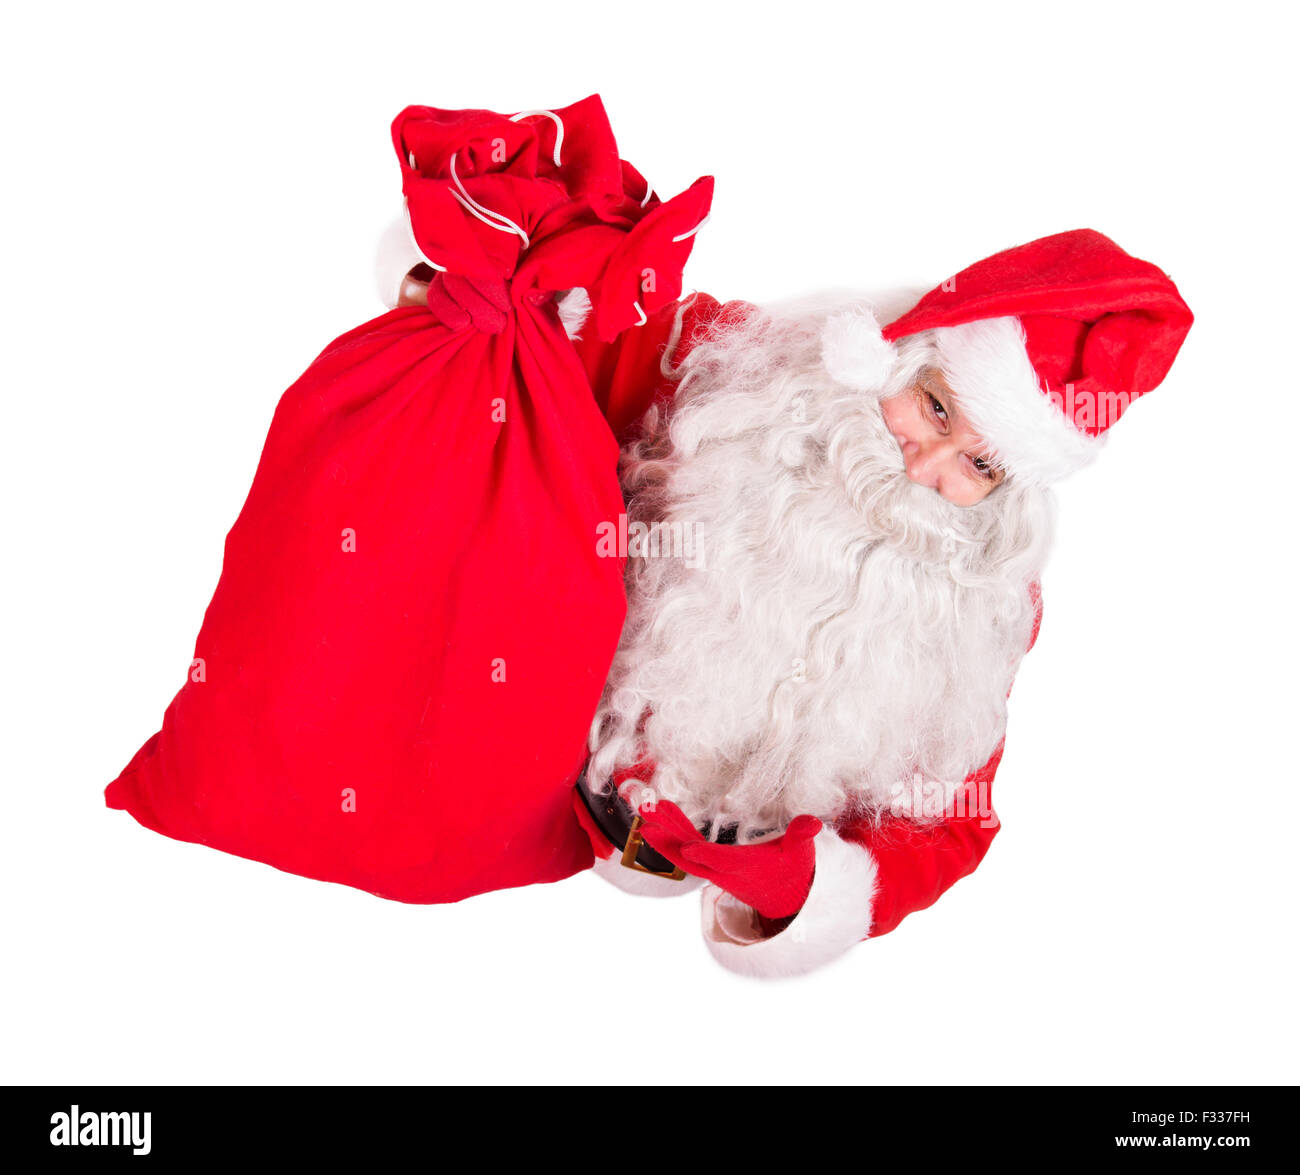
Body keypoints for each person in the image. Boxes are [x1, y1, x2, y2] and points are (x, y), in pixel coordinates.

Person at [380, 227, 1193, 977]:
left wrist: (806, 887)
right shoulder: (727, 366)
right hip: (455, 778)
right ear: (892, 356)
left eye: (978, 468)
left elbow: (949, 820)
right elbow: (558, 320)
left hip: (618, 964)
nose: (922, 469)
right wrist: (454, 287)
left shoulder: (978, 602)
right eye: (936, 408)